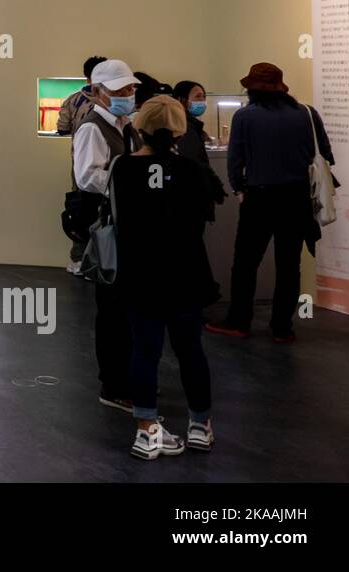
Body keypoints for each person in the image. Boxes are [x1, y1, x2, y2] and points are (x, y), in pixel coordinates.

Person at [110, 95, 219, 459]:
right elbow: (204, 215)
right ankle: (200, 425)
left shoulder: (121, 168)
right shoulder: (191, 170)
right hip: (185, 272)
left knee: (144, 351)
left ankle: (146, 429)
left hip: (140, 274)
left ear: (139, 127)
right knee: (191, 352)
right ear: (179, 129)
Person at [206, 63, 335, 344]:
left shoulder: (244, 117)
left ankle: (239, 321)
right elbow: (325, 152)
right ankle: (282, 327)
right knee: (289, 264)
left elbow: (235, 160)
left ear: (252, 89)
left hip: (260, 197)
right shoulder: (306, 113)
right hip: (297, 198)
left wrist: (240, 188)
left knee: (246, 263)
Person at [73, 58, 142, 410]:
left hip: (128, 226)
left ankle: (130, 378)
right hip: (109, 227)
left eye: (130, 89)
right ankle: (113, 385)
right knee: (113, 311)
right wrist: (129, 184)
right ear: (98, 93)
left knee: (128, 309)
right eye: (120, 91)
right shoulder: (92, 128)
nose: (127, 95)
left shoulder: (124, 124)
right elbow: (88, 177)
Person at [173, 79, 227, 220]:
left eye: (204, 97)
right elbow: (193, 161)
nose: (202, 101)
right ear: (181, 100)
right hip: (191, 198)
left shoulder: (192, 125)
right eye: (197, 96)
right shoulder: (183, 127)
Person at [57, 55, 108, 136]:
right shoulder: (116, 99)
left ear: (87, 79)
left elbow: (62, 130)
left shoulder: (72, 100)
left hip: (79, 147)